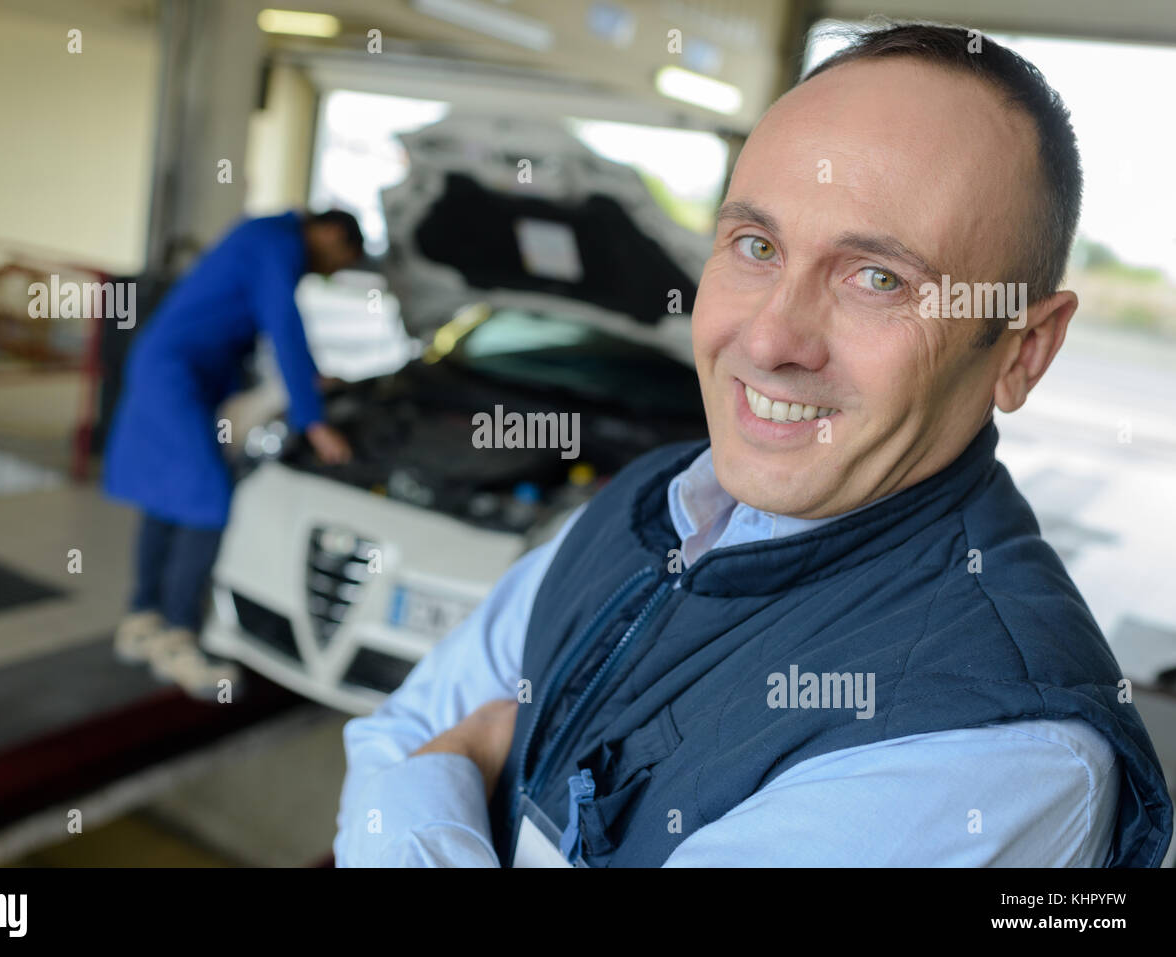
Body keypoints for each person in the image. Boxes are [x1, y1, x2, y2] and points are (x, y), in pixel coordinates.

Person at [333, 24, 1173, 866]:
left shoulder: (992, 748)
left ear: (1023, 351)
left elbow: (404, 764)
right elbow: (392, 728)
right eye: (756, 247)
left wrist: (443, 774)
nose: (771, 339)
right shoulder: (651, 500)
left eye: (878, 278)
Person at [105, 209, 363, 697]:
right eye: (337, 261)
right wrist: (315, 422)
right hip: (176, 377)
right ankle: (178, 637)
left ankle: (142, 619)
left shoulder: (262, 235)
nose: (328, 272)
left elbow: (259, 326)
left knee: (165, 497)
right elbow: (283, 322)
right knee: (207, 502)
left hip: (170, 368)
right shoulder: (277, 243)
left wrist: (308, 378)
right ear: (329, 232)